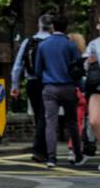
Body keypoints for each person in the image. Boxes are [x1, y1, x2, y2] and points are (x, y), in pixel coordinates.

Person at [34, 14, 85, 168]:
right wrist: (81, 87)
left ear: (53, 27)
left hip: (49, 87)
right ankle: (78, 155)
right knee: (73, 123)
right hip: (68, 87)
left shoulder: (43, 45)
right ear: (66, 28)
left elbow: (37, 70)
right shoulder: (70, 46)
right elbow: (78, 69)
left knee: (50, 123)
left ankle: (51, 158)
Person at [11, 12, 53, 163]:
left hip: (32, 83)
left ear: (39, 25)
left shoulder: (28, 42)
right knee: (45, 117)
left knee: (38, 116)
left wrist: (14, 86)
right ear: (52, 26)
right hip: (48, 82)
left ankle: (42, 148)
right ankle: (40, 149)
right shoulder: (53, 41)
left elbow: (17, 66)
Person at [84, 13, 100, 170]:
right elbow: (84, 65)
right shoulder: (94, 44)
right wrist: (88, 63)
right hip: (96, 86)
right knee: (94, 121)